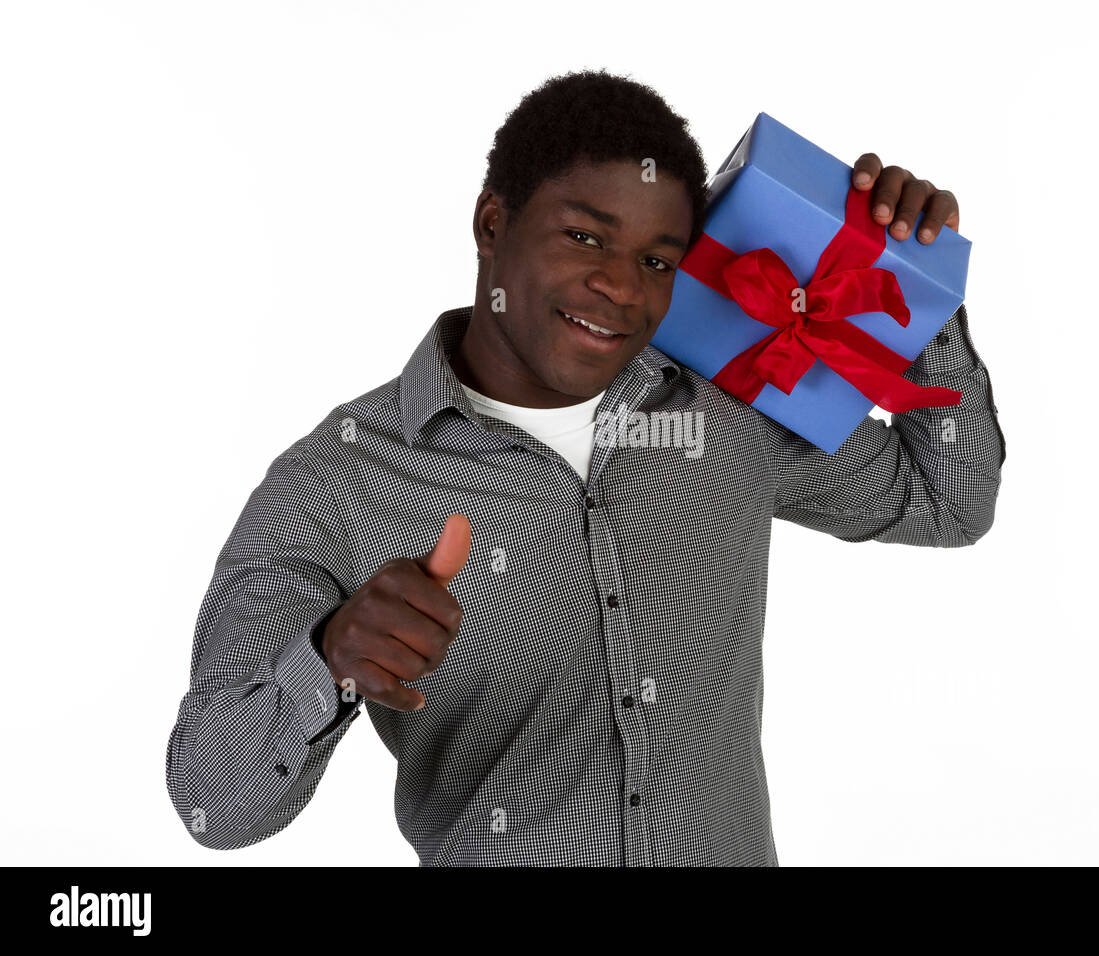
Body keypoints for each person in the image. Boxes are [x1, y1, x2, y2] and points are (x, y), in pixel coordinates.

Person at [165, 69, 1006, 865]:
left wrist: (908, 282)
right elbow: (211, 802)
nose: (622, 287)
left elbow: (949, 502)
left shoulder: (726, 412)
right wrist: (329, 659)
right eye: (584, 236)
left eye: (657, 260)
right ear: (492, 224)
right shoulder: (337, 482)